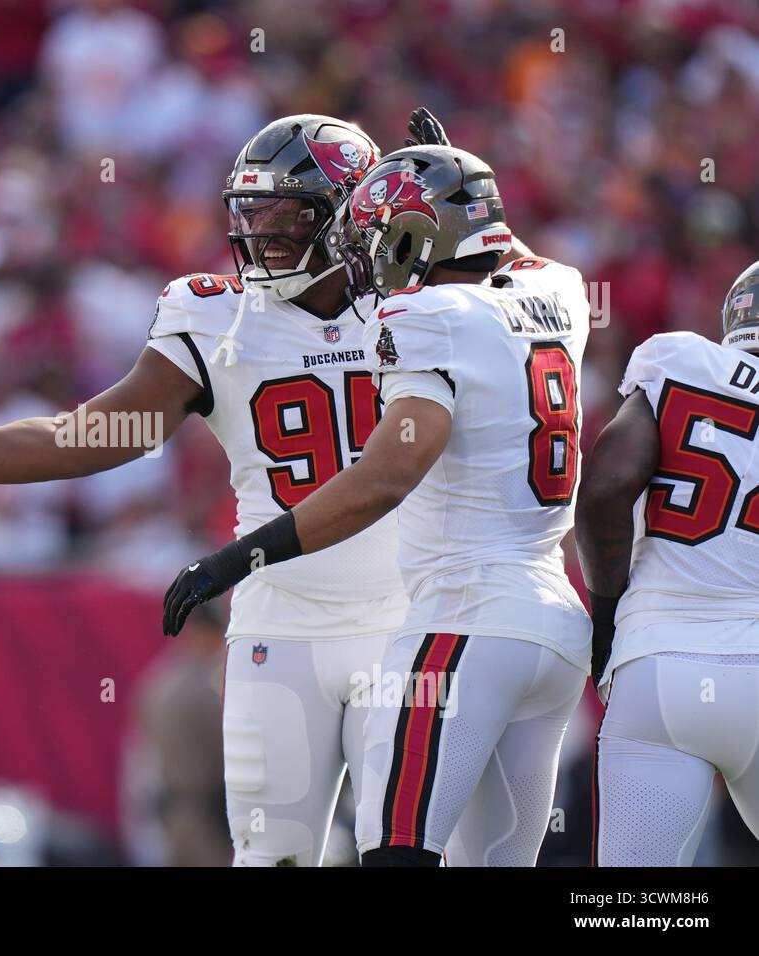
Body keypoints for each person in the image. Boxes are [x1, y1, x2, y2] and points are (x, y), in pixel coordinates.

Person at [0, 111, 452, 866]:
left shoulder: (423, 296)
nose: (260, 234)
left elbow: (530, 292)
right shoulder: (214, 314)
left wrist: (444, 182)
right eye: (252, 212)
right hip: (284, 622)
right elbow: (92, 436)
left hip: (409, 618)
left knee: (407, 854)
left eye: (286, 215)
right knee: (276, 858)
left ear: (350, 219)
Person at [162, 144, 592, 866]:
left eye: (371, 236)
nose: (365, 259)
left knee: (396, 851)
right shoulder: (561, 293)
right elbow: (504, 245)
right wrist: (461, 180)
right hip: (554, 621)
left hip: (464, 621)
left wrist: (235, 559)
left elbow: (382, 479)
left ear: (411, 237)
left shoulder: (427, 316)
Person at [576, 260, 759, 866]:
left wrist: (608, 618)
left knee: (638, 904)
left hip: (659, 670)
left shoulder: (681, 359)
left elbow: (604, 490)